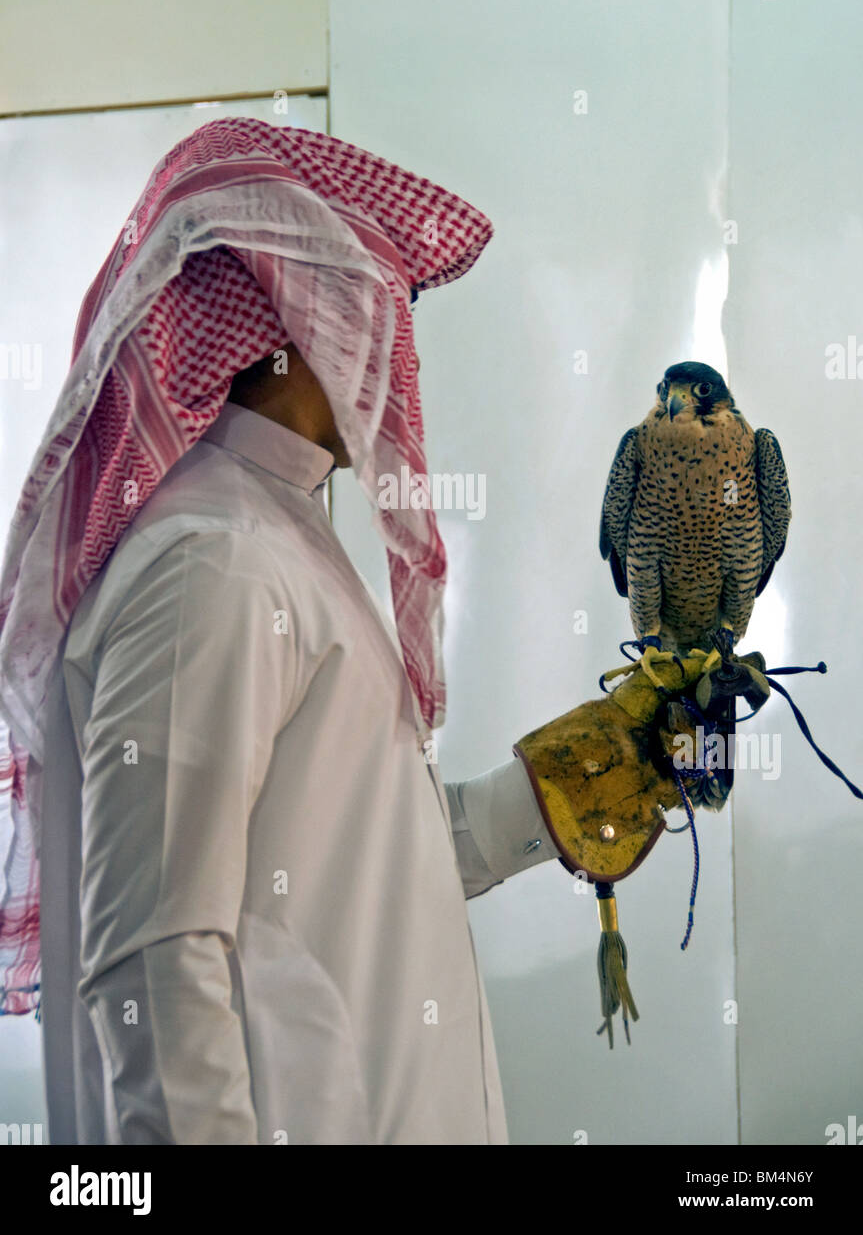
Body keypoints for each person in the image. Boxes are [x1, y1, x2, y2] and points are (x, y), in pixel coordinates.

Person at [0, 118, 558, 1145]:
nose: (403, 349)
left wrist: (539, 805)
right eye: (386, 301)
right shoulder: (211, 559)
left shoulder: (276, 536)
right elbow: (153, 959)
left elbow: (327, 871)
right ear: (300, 312)